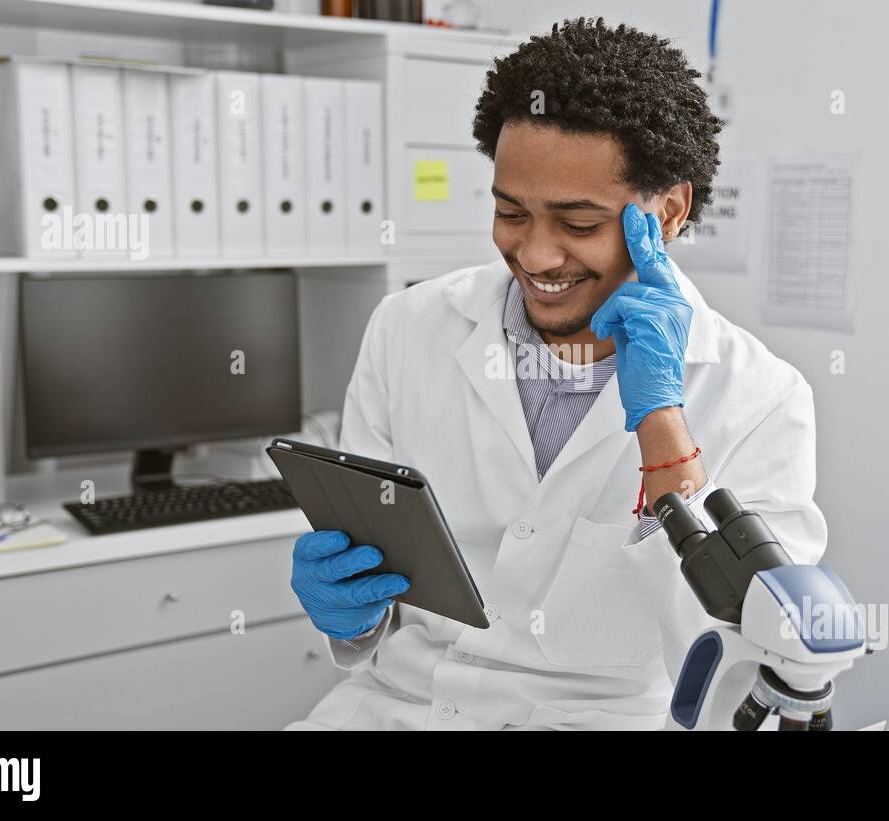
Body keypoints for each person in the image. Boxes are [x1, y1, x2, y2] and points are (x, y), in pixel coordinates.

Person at [286, 17, 826, 730]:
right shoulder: (407, 329)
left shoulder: (760, 398)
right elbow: (377, 610)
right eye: (511, 212)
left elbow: (757, 669)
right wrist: (349, 614)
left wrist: (662, 423)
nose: (536, 255)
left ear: (666, 210)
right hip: (396, 711)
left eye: (577, 223)